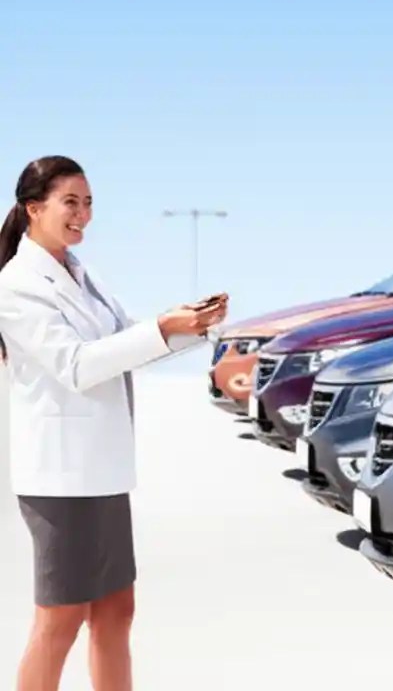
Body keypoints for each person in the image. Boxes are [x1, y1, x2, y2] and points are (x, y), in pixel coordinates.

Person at [0, 155, 228, 691]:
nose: (83, 215)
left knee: (116, 610)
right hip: (59, 479)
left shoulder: (82, 272)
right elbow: (77, 365)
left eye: (89, 203)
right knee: (60, 620)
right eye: (70, 203)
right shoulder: (15, 286)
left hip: (102, 471)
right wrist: (160, 328)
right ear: (34, 209)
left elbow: (125, 341)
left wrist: (190, 326)